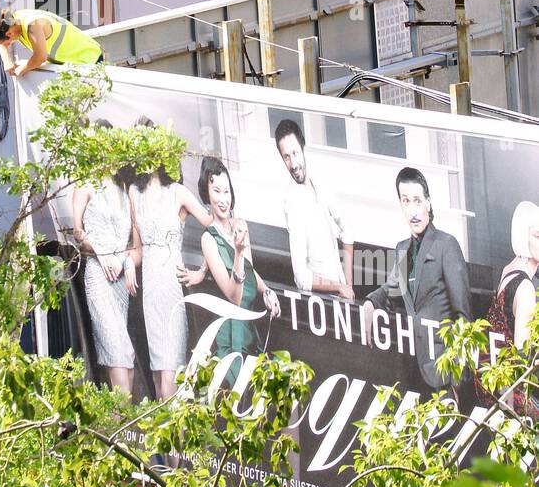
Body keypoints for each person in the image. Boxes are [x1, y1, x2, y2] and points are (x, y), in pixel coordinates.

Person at [363, 166, 471, 392]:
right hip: (410, 372)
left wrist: (457, 381)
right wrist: (370, 303)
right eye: (406, 201)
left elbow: (463, 317)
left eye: (417, 201)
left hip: (443, 375)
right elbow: (390, 292)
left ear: (428, 204)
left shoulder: (446, 245)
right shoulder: (402, 249)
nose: (413, 211)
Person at [179, 157, 280, 384]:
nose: (223, 199)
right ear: (207, 195)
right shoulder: (208, 239)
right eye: (217, 191)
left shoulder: (240, 225)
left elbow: (251, 272)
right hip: (232, 332)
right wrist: (238, 253)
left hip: (252, 323)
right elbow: (233, 296)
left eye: (227, 191)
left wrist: (267, 291)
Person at [128, 131, 213, 401]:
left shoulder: (177, 192)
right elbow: (137, 248)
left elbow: (215, 228)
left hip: (172, 285)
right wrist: (129, 263)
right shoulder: (134, 193)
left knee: (171, 368)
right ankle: (162, 436)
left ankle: (175, 440)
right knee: (156, 370)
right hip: (150, 288)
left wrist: (202, 271)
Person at [72, 123, 141, 396]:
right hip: (99, 277)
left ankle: (116, 426)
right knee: (116, 357)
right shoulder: (84, 186)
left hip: (120, 282)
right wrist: (102, 254)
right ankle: (119, 433)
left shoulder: (125, 191)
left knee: (128, 360)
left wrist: (123, 260)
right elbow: (78, 234)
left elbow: (134, 247)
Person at [274, 118, 354, 299]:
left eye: (295, 153)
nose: (293, 164)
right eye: (286, 157)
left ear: (303, 147)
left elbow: (347, 229)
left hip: (343, 297)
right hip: (321, 304)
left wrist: (347, 284)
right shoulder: (292, 203)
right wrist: (338, 287)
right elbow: (301, 277)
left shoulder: (320, 181)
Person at [477, 200, 539, 416]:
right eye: (537, 236)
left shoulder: (509, 270)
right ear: (523, 236)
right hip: (512, 396)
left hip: (494, 387)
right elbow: (524, 357)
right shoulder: (525, 288)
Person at [0, 7, 103, 78]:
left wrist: (21, 70)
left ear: (9, 34)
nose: (7, 46)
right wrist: (7, 61)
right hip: (74, 65)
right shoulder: (13, 20)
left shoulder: (32, 26)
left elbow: (40, 57)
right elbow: (0, 43)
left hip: (89, 60)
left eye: (6, 43)